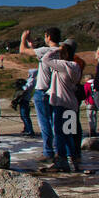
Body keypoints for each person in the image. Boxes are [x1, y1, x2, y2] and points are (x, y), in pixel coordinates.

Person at [19, 27, 65, 167]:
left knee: (44, 122)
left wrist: (22, 38)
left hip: (43, 90)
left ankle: (48, 152)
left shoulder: (46, 51)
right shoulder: (61, 52)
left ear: (48, 37)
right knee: (56, 122)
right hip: (57, 90)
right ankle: (60, 151)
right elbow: (36, 52)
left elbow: (23, 51)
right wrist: (31, 43)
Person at [44, 43, 84, 172]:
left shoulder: (63, 65)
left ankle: (62, 159)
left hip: (61, 104)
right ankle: (73, 159)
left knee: (60, 133)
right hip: (72, 104)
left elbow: (46, 59)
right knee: (70, 133)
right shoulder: (76, 66)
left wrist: (55, 49)